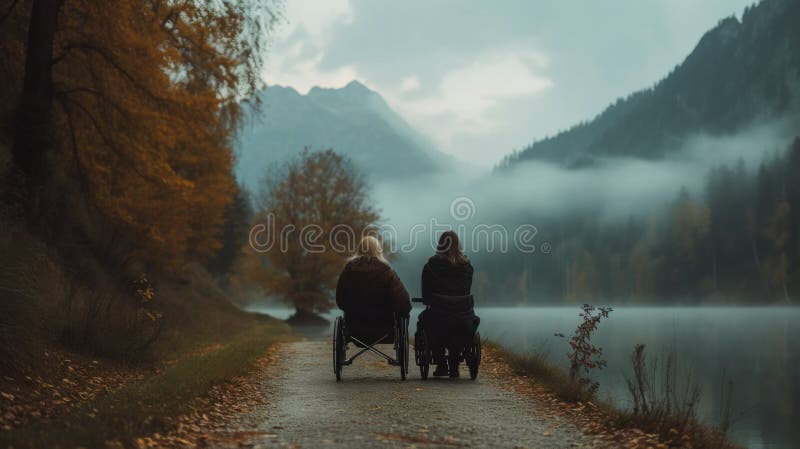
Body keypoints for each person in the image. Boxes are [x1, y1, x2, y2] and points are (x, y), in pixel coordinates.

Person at [418, 231, 477, 378]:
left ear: (440, 244)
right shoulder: (467, 267)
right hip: (463, 316)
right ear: (459, 245)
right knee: (458, 326)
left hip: (439, 315)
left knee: (426, 322)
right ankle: (454, 365)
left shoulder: (431, 266)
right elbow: (466, 290)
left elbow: (426, 296)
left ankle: (441, 364)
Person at [335, 235, 411, 334]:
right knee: (404, 315)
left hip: (354, 327)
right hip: (384, 327)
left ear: (359, 250)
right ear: (378, 250)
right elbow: (403, 303)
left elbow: (340, 299)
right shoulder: (388, 273)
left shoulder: (348, 271)